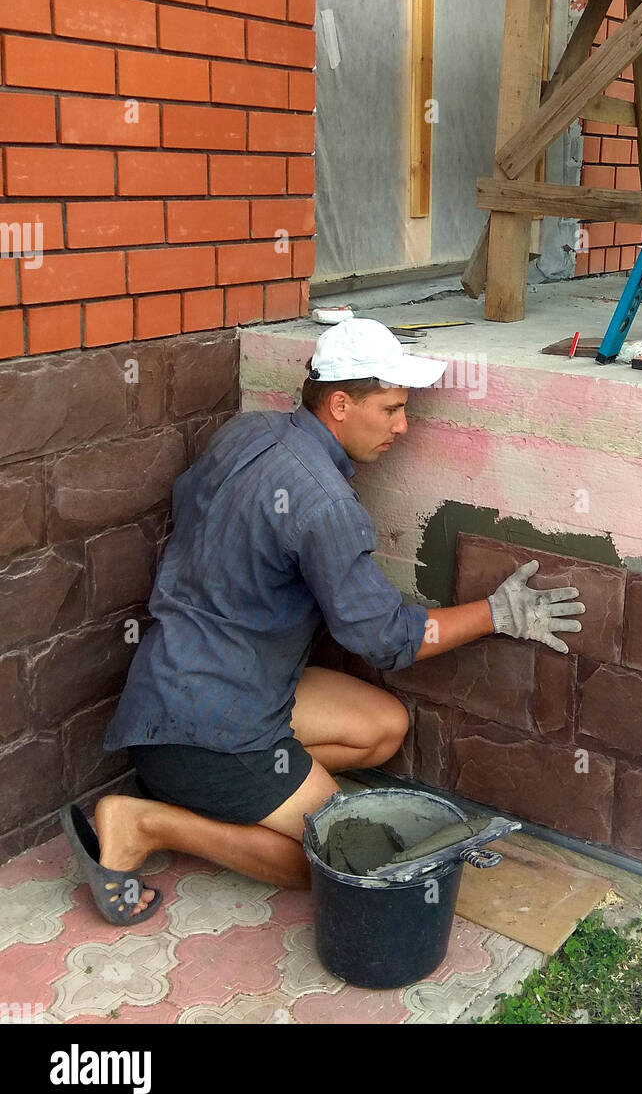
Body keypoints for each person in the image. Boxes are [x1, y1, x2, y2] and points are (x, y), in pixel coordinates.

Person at [61, 319, 585, 922]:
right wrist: (499, 612)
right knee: (328, 862)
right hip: (212, 734)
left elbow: (192, 505)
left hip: (180, 688)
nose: (402, 426)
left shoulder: (248, 432)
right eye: (390, 409)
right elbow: (387, 639)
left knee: (382, 728)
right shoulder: (325, 504)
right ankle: (144, 822)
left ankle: (223, 796)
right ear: (339, 403)